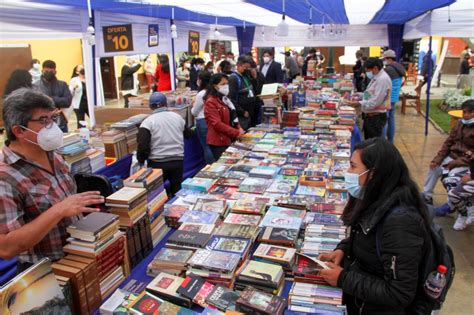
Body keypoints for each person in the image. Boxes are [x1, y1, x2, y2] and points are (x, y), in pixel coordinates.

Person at [319, 138, 431, 314]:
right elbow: (368, 237)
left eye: (353, 166)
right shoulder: (378, 197)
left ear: (373, 173)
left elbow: (399, 293)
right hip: (360, 298)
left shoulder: (401, 223)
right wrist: (344, 249)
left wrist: (343, 278)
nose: (348, 172)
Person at [0, 88, 103, 270]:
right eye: (43, 120)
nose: (52, 127)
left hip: (79, 254)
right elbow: (7, 248)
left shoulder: (52, 154)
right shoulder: (5, 177)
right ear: (19, 131)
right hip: (48, 270)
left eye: (52, 119)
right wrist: (59, 211)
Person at [422, 100, 474, 216]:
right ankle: (427, 196)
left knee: (450, 178)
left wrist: (456, 162)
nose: (466, 115)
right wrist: (438, 158)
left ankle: (450, 205)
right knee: (434, 167)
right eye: (464, 112)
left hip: (467, 162)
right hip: (452, 156)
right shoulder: (460, 124)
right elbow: (448, 142)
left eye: (470, 112)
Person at [137, 92, 192, 198]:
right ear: (166, 104)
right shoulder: (177, 117)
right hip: (177, 161)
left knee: (157, 192)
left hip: (157, 163)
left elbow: (143, 146)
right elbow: (188, 134)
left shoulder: (147, 122)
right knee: (177, 189)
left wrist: (141, 161)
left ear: (150, 106)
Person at [344, 58, 392, 139]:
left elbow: (375, 101)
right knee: (369, 141)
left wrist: (359, 103)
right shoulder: (377, 77)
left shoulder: (382, 79)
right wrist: (359, 95)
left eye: (368, 71)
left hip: (376, 116)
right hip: (371, 115)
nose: (367, 73)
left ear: (375, 68)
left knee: (373, 143)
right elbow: (370, 94)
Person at [204, 73, 244, 160]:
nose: (226, 86)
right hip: (218, 141)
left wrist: (239, 128)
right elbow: (217, 124)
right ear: (215, 86)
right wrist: (236, 132)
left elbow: (232, 116)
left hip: (229, 138)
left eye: (227, 83)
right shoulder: (211, 102)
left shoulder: (225, 99)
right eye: (222, 84)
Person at [36, 60, 72, 132]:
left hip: (60, 123)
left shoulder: (62, 85)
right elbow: (35, 104)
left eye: (51, 71)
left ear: (55, 72)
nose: (49, 73)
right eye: (46, 71)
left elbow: (67, 102)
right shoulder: (35, 86)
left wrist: (51, 99)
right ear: (42, 71)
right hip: (42, 123)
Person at [382, 49, 406, 143]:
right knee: (391, 118)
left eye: (385, 59)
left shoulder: (389, 69)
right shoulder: (399, 67)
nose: (384, 61)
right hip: (395, 96)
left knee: (385, 120)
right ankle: (390, 141)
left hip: (388, 97)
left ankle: (383, 141)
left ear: (389, 59)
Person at [191, 71, 215, 164]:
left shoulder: (201, 94)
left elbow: (194, 112)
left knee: (206, 146)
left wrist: (193, 106)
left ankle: (210, 165)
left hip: (202, 121)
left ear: (200, 80)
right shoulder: (213, 92)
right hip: (213, 120)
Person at [228, 56, 258, 130]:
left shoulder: (246, 76)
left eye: (249, 68)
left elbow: (254, 90)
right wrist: (242, 112)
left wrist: (254, 78)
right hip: (241, 116)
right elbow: (231, 99)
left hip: (250, 114)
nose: (247, 69)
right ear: (239, 65)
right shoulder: (234, 78)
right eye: (245, 67)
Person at [447, 158, 474, 230]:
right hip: (470, 171)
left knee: (453, 195)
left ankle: (464, 214)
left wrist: (471, 176)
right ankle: (468, 208)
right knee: (449, 181)